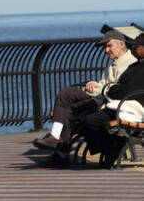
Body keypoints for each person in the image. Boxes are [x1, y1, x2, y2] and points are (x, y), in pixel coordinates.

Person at [31, 26, 139, 166]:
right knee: (68, 111)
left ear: (121, 44)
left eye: (109, 46)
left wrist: (95, 88)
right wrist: (93, 84)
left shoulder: (129, 64)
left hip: (109, 103)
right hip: (100, 98)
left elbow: (117, 89)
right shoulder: (113, 64)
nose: (106, 51)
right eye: (105, 47)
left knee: (67, 93)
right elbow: (105, 84)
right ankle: (60, 154)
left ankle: (55, 138)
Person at [77, 29, 144, 164]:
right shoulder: (136, 65)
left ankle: (112, 148)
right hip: (122, 105)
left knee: (89, 120)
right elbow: (122, 86)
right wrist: (111, 88)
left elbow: (127, 89)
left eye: (137, 46)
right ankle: (111, 148)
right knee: (84, 118)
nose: (134, 48)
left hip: (130, 108)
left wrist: (109, 89)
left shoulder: (139, 68)